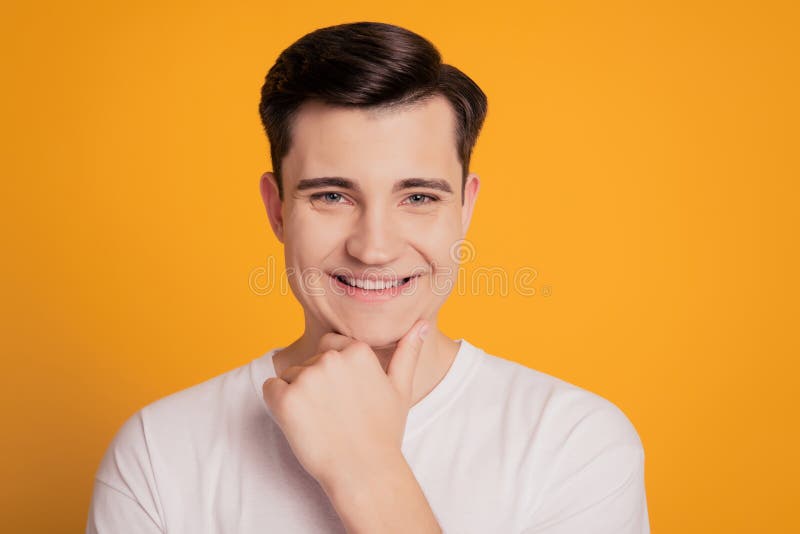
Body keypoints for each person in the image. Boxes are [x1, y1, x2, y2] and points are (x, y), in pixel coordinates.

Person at [86, 21, 650, 533]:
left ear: (466, 209)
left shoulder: (576, 443)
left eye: (419, 196)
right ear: (278, 209)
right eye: (332, 195)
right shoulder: (159, 451)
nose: (374, 248)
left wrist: (370, 475)